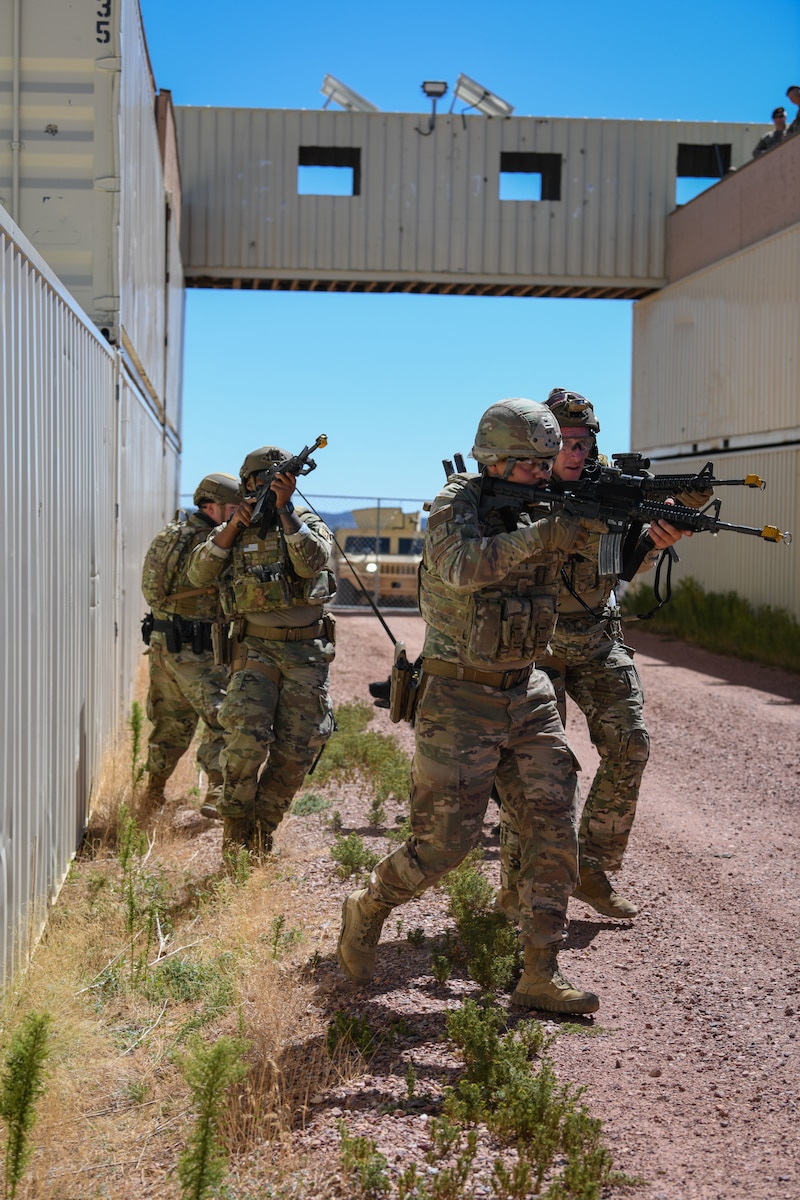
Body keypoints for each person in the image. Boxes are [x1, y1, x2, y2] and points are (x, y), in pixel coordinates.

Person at [338, 398, 615, 1015]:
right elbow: (462, 568)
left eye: (550, 462)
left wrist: (626, 537)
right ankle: (370, 905)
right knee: (443, 847)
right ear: (496, 459)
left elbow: (594, 590)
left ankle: (539, 973)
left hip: (529, 690)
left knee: (553, 829)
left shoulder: (547, 505)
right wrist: (545, 533)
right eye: (531, 465)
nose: (545, 474)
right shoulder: (454, 505)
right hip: (459, 693)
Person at [497, 389, 692, 924]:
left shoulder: (610, 492)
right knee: (538, 773)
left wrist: (655, 540)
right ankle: (514, 891)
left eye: (585, 443)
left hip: (597, 639)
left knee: (631, 747)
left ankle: (591, 869)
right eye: (566, 443)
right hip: (534, 648)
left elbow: (623, 567)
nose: (576, 454)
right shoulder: (515, 491)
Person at [187, 445, 336, 857]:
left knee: (300, 745)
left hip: (306, 652)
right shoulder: (237, 525)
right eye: (263, 479)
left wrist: (286, 512)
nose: (271, 486)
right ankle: (235, 836)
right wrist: (234, 526)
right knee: (245, 743)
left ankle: (261, 829)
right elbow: (199, 571)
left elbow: (312, 564)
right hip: (254, 648)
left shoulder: (304, 520)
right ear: (249, 482)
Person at [141, 473, 240, 819]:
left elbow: (151, 589)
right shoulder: (213, 542)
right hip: (197, 651)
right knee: (222, 720)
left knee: (170, 724)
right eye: (231, 508)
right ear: (210, 506)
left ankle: (152, 792)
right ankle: (216, 790)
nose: (235, 514)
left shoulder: (170, 533)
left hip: (161, 644)